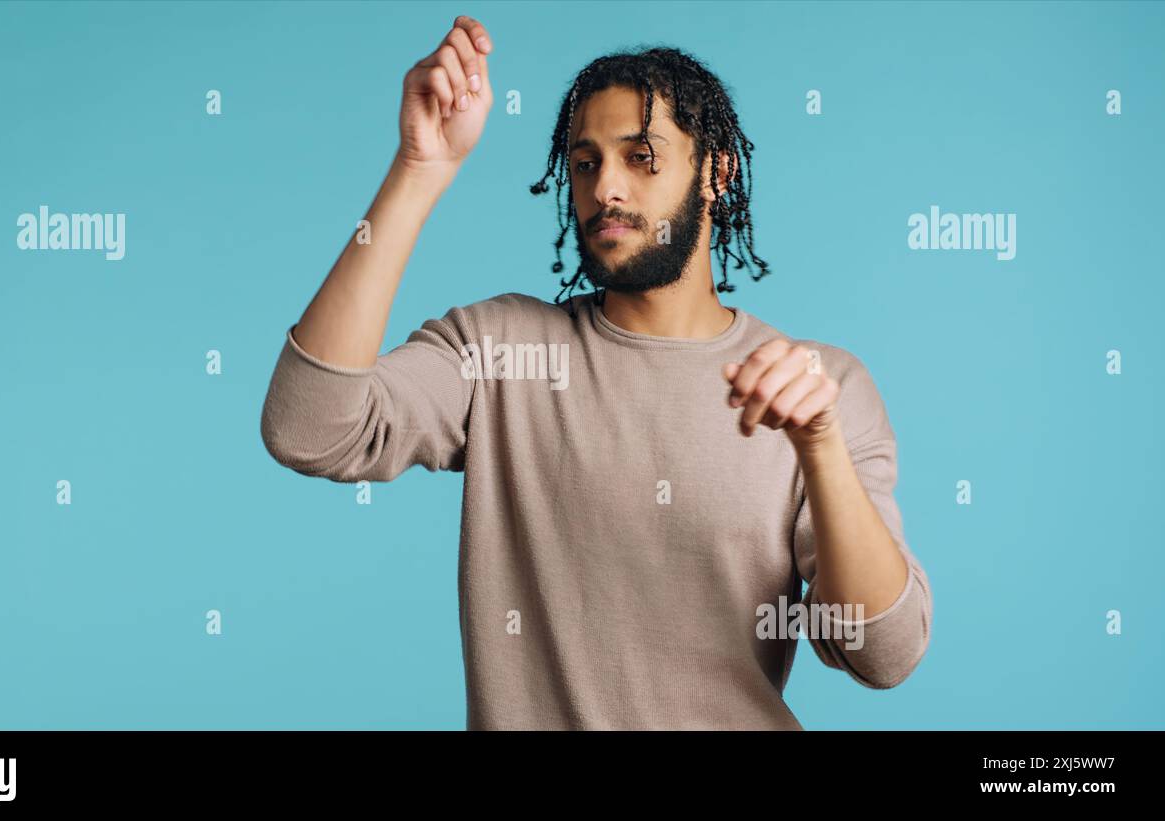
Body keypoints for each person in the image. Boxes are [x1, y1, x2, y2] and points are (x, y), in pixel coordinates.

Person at [261, 16, 932, 730]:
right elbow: (309, 428)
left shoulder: (816, 387)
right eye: (585, 163)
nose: (606, 187)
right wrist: (419, 170)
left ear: (716, 172)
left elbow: (883, 653)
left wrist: (821, 447)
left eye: (641, 156)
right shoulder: (501, 351)